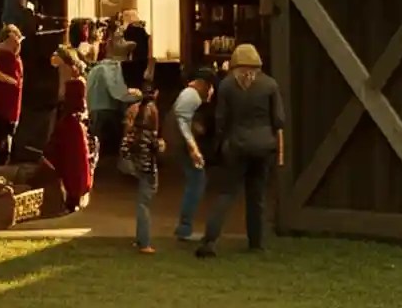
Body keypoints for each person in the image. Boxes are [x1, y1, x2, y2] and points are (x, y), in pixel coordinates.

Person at [196, 44, 285, 258]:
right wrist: (280, 151)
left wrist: (220, 144)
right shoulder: (269, 84)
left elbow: (221, 119)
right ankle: (256, 243)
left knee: (227, 194)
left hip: (236, 145)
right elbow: (278, 120)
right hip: (263, 146)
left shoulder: (227, 85)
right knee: (257, 196)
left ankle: (210, 240)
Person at [44, 45, 93, 212]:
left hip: (70, 124)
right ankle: (71, 196)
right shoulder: (74, 78)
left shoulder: (71, 79)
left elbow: (65, 98)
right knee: (71, 161)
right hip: (70, 124)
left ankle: (72, 196)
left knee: (70, 161)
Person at [172, 67, 215, 242]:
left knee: (196, 182)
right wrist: (193, 148)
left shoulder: (189, 95)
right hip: (185, 147)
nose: (211, 90)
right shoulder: (191, 95)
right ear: (202, 84)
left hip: (183, 146)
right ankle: (184, 228)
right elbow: (182, 122)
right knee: (196, 182)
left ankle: (185, 228)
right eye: (209, 86)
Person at [121, 89, 166, 254]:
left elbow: (125, 149)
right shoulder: (149, 134)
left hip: (137, 168)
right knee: (144, 204)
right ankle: (144, 242)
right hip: (148, 170)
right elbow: (158, 150)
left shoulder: (133, 132)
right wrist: (160, 145)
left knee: (141, 203)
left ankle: (140, 239)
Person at [86, 36, 143, 156]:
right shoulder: (111, 67)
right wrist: (138, 96)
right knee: (110, 155)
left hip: (96, 115)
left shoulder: (97, 69)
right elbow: (118, 93)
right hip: (107, 116)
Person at [0, 24, 24, 166]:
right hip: (4, 110)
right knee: (2, 145)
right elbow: (14, 81)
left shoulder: (11, 57)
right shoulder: (6, 56)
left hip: (7, 109)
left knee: (2, 143)